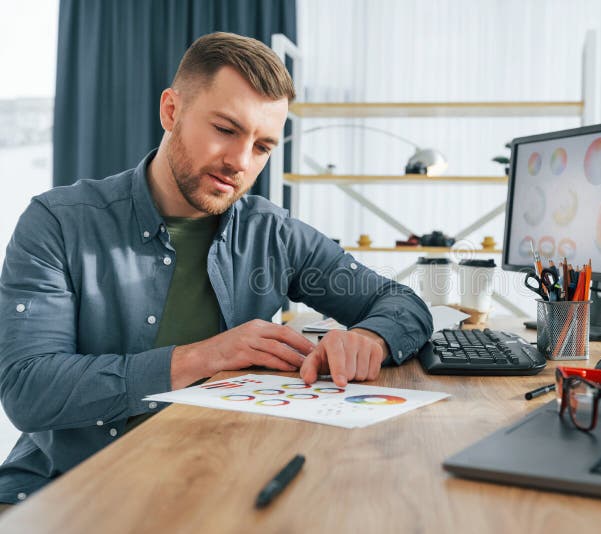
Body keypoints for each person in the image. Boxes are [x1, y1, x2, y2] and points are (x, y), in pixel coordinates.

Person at [0, 32, 432, 504]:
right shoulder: (59, 223)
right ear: (171, 111)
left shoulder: (274, 234)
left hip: (223, 480)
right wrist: (206, 356)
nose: (240, 163)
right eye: (226, 129)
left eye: (262, 146)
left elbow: (402, 303)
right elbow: (28, 388)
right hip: (71, 489)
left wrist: (370, 338)